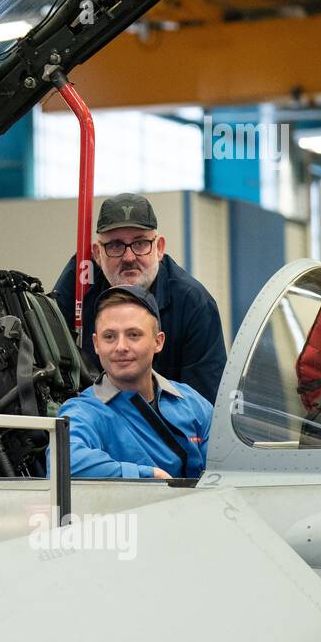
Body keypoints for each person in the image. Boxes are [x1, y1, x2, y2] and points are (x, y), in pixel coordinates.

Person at [52, 193, 226, 402]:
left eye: (140, 243)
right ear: (97, 254)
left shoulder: (194, 304)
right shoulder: (80, 281)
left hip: (164, 427)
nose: (129, 257)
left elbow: (204, 405)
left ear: (159, 248)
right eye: (115, 245)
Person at [54, 285, 212, 479]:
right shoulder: (83, 412)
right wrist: (146, 476)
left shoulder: (192, 403)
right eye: (109, 336)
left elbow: (226, 467)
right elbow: (62, 464)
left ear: (158, 341)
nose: (121, 347)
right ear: (96, 344)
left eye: (133, 335)